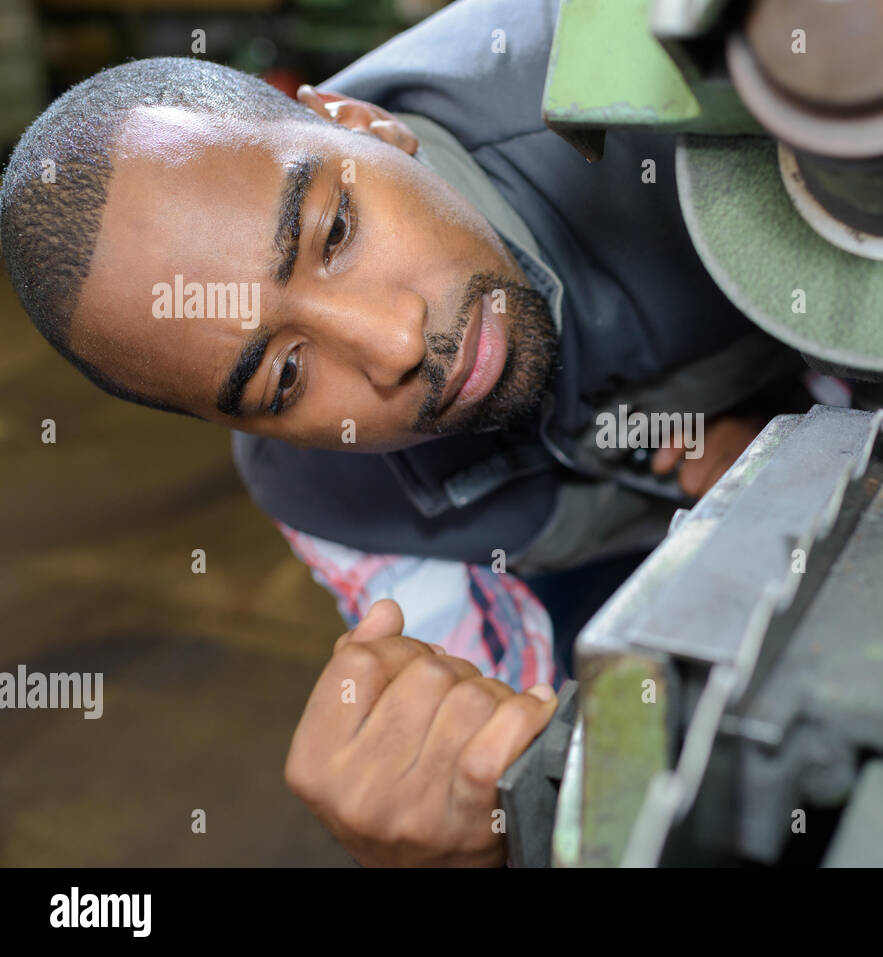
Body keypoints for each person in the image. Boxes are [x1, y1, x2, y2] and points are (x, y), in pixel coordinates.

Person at [0, 0, 811, 865]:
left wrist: (805, 425)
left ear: (363, 122)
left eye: (335, 232)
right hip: (581, 563)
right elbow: (496, 712)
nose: (392, 345)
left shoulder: (654, 70)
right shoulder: (316, 489)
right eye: (283, 375)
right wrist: (469, 823)